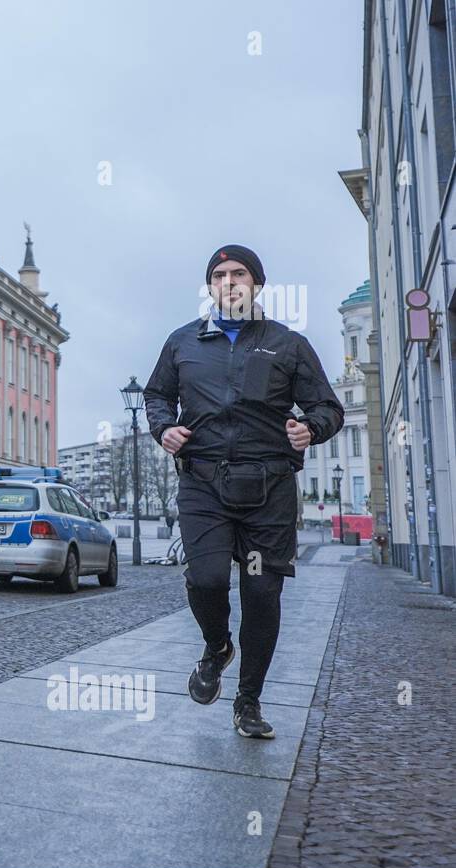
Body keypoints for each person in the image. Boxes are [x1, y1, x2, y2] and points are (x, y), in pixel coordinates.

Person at [144, 244, 343, 739]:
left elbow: (328, 408)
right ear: (209, 286)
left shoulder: (287, 345)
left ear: (256, 285)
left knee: (260, 593)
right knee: (207, 578)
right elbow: (156, 396)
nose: (228, 281)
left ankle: (248, 701)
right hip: (204, 484)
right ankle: (216, 648)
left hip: (268, 488)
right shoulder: (181, 343)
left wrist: (310, 429)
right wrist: (164, 428)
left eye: (238, 274)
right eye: (218, 275)